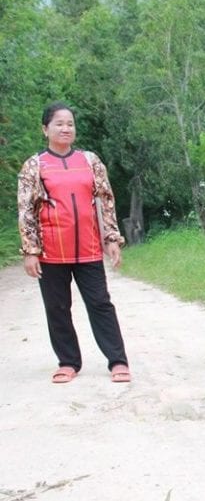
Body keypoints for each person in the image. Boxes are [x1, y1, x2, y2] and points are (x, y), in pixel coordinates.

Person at [17, 102, 131, 383]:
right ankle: (68, 362)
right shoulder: (34, 165)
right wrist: (30, 251)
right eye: (59, 124)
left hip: (88, 250)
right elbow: (26, 210)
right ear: (45, 129)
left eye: (70, 124)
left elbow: (106, 201)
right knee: (57, 308)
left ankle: (118, 361)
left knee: (101, 303)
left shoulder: (90, 161)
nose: (65, 128)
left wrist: (111, 238)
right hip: (51, 252)